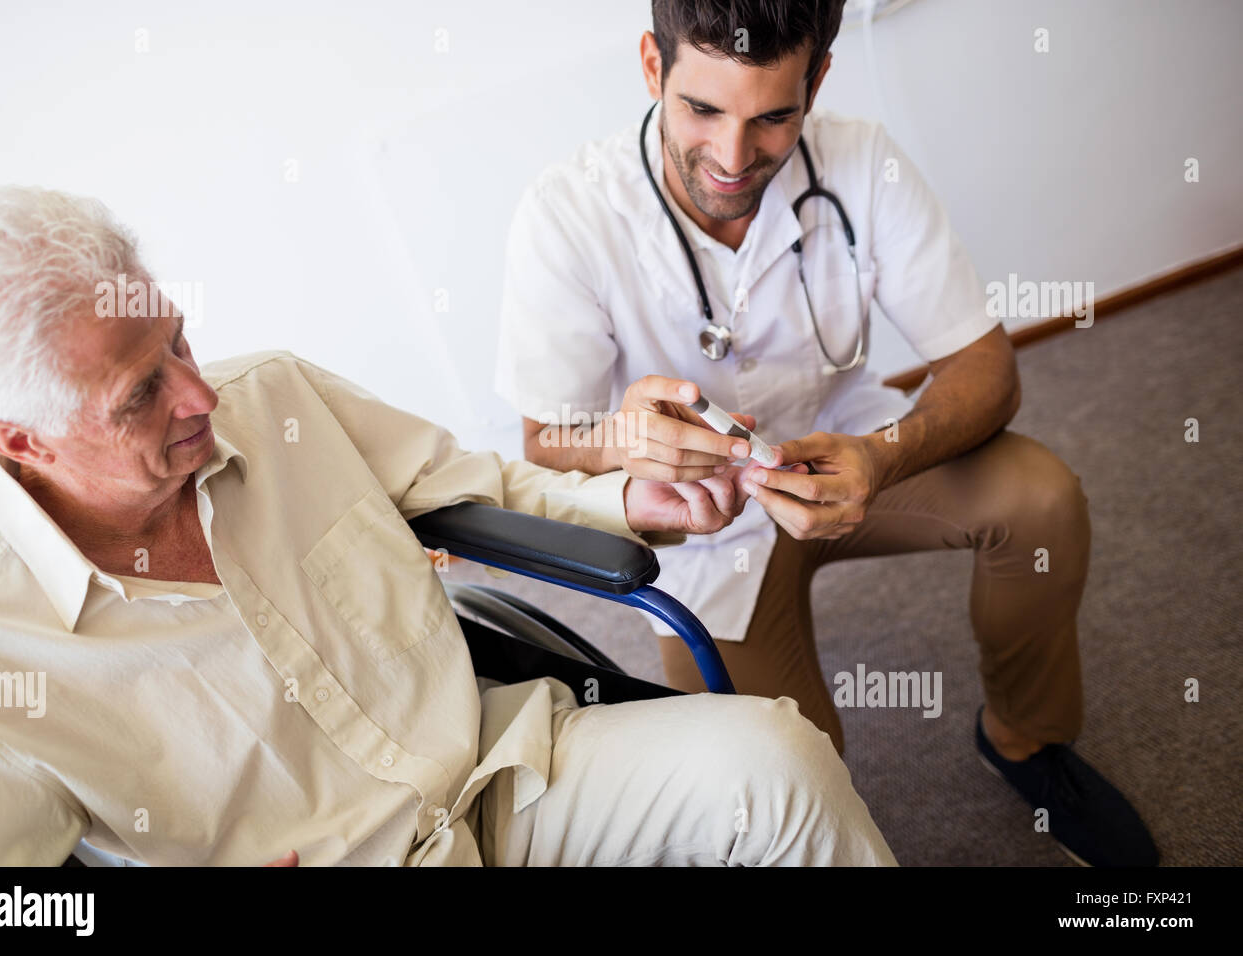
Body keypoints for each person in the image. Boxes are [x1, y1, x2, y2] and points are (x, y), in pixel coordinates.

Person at [0, 185, 895, 867]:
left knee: (778, 761)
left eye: (180, 340)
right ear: (19, 439)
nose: (199, 393)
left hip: (505, 776)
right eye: (141, 391)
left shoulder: (272, 396)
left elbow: (479, 491)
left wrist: (631, 502)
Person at [493, 0, 1156, 866]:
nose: (733, 159)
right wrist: (626, 436)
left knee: (1042, 500)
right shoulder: (567, 215)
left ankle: (1025, 741)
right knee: (789, 785)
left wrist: (883, 457)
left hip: (850, 452)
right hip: (703, 528)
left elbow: (988, 367)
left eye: (773, 117)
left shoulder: (861, 161)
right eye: (702, 110)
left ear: (818, 82)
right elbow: (548, 438)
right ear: (654, 68)